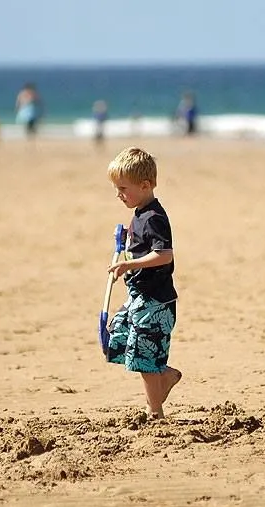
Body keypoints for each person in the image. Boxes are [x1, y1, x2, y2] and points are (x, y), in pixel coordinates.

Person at [104, 147, 182, 419]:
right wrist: (128, 239)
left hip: (155, 300)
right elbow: (144, 244)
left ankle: (155, 410)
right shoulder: (140, 214)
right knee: (118, 335)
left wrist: (129, 264)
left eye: (123, 188)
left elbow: (163, 254)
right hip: (139, 296)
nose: (119, 194)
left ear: (145, 185)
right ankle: (166, 375)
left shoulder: (154, 217)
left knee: (144, 355)